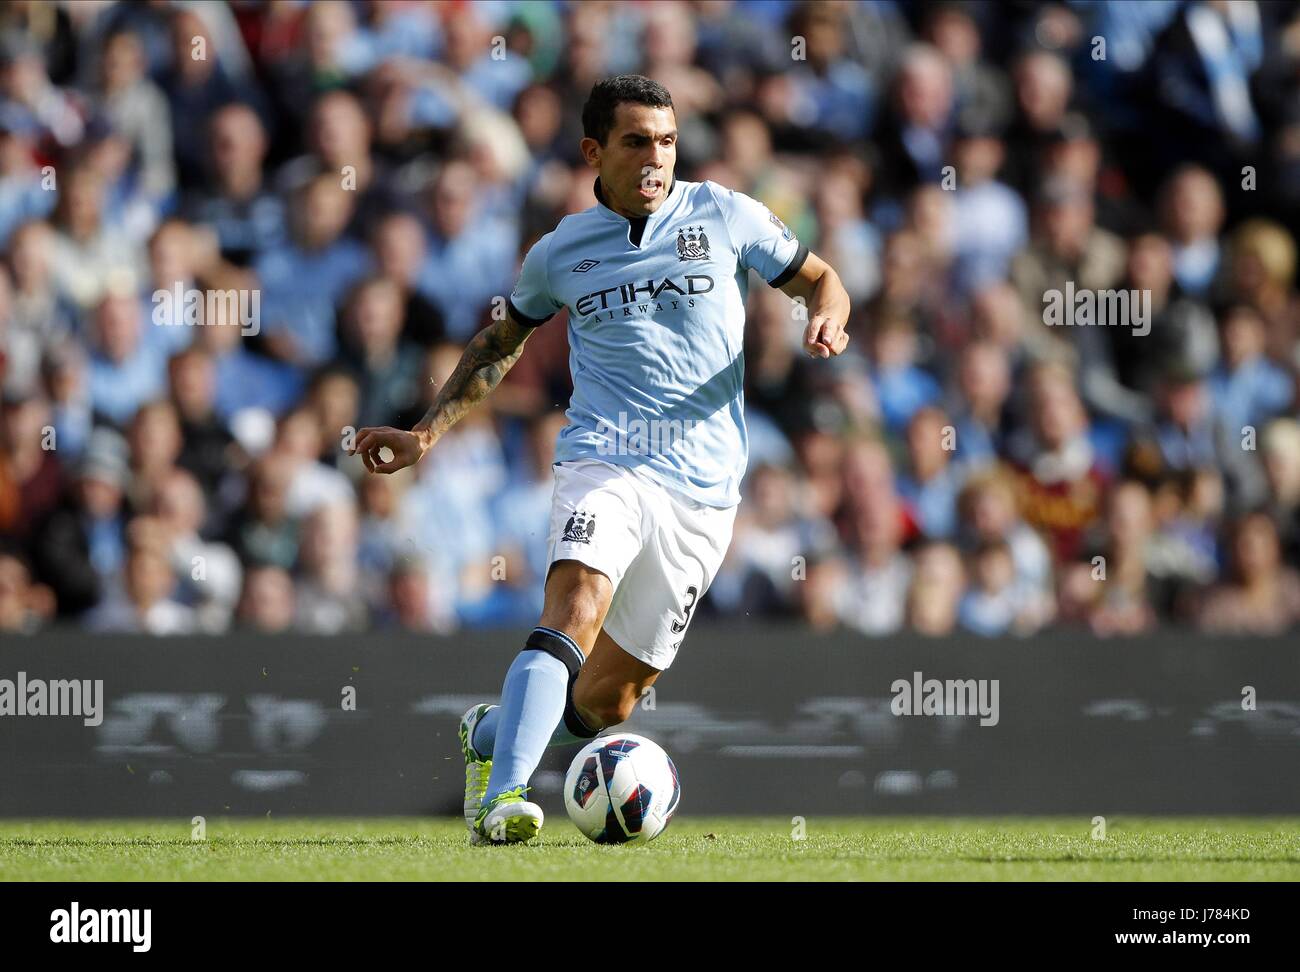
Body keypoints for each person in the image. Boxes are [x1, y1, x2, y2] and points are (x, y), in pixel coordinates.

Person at [349, 75, 851, 844]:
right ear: (595, 151)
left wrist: (826, 316)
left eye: (668, 141)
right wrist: (426, 434)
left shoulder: (724, 213)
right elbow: (497, 345)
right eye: (637, 141)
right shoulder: (561, 250)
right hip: (605, 458)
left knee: (607, 703)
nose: (658, 157)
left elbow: (822, 278)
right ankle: (504, 798)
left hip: (705, 494)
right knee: (574, 606)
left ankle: (490, 737)